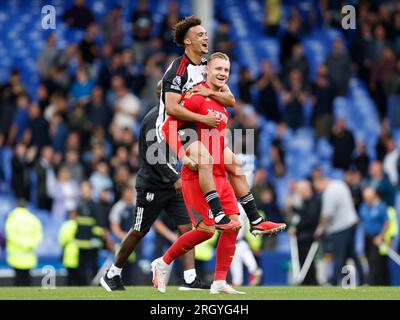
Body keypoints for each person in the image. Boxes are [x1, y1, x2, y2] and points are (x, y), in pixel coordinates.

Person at [156, 15, 286, 235]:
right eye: (200, 35)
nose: (206, 38)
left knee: (235, 165)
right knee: (204, 160)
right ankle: (218, 214)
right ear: (187, 41)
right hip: (176, 128)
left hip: (200, 126)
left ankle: (255, 220)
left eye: (206, 34)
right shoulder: (179, 69)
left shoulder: (208, 66)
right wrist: (203, 119)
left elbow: (231, 99)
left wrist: (208, 92)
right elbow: (172, 109)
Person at [151, 53, 246, 295]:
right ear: (206, 71)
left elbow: (219, 130)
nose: (223, 73)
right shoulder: (194, 96)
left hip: (220, 174)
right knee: (206, 230)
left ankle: (219, 282)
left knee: (233, 225)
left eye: (227, 69)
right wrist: (183, 155)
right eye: (218, 69)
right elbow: (168, 126)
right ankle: (162, 263)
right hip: (198, 176)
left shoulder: (221, 100)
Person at [100, 82, 209, 292]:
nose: (181, 96)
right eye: (177, 93)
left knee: (186, 228)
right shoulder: (153, 119)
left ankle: (189, 278)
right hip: (151, 185)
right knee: (139, 231)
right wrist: (175, 178)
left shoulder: (177, 118)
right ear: (165, 95)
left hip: (172, 184)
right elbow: (155, 156)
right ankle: (112, 273)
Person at [313, 174, 364, 286]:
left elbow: (327, 215)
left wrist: (321, 228)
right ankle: (363, 280)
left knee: (338, 254)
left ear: (321, 182)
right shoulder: (339, 184)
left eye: (317, 187)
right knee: (351, 253)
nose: (319, 190)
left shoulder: (329, 192)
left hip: (341, 227)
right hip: (351, 223)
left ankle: (334, 281)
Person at [288, 180, 321, 285]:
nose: (299, 194)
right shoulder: (305, 202)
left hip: (310, 236)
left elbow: (310, 219)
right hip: (301, 236)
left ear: (306, 190)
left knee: (309, 262)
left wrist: (297, 227)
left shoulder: (315, 201)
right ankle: (305, 282)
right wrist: (294, 209)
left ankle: (312, 282)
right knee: (302, 261)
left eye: (300, 191)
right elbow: (302, 215)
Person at [5, 200, 43, 286]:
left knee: (18, 279)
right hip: (29, 255)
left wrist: (21, 243)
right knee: (27, 278)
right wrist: (29, 244)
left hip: (15, 255)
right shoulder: (33, 219)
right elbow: (38, 235)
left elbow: (10, 234)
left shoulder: (12, 219)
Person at [359, 187, 390, 285]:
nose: (367, 200)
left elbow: (387, 223)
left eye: (369, 198)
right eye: (365, 198)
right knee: (368, 259)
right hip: (366, 237)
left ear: (374, 196)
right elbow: (361, 221)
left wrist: (380, 236)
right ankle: (374, 282)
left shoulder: (381, 206)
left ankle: (373, 283)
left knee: (375, 261)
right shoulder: (363, 206)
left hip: (377, 237)